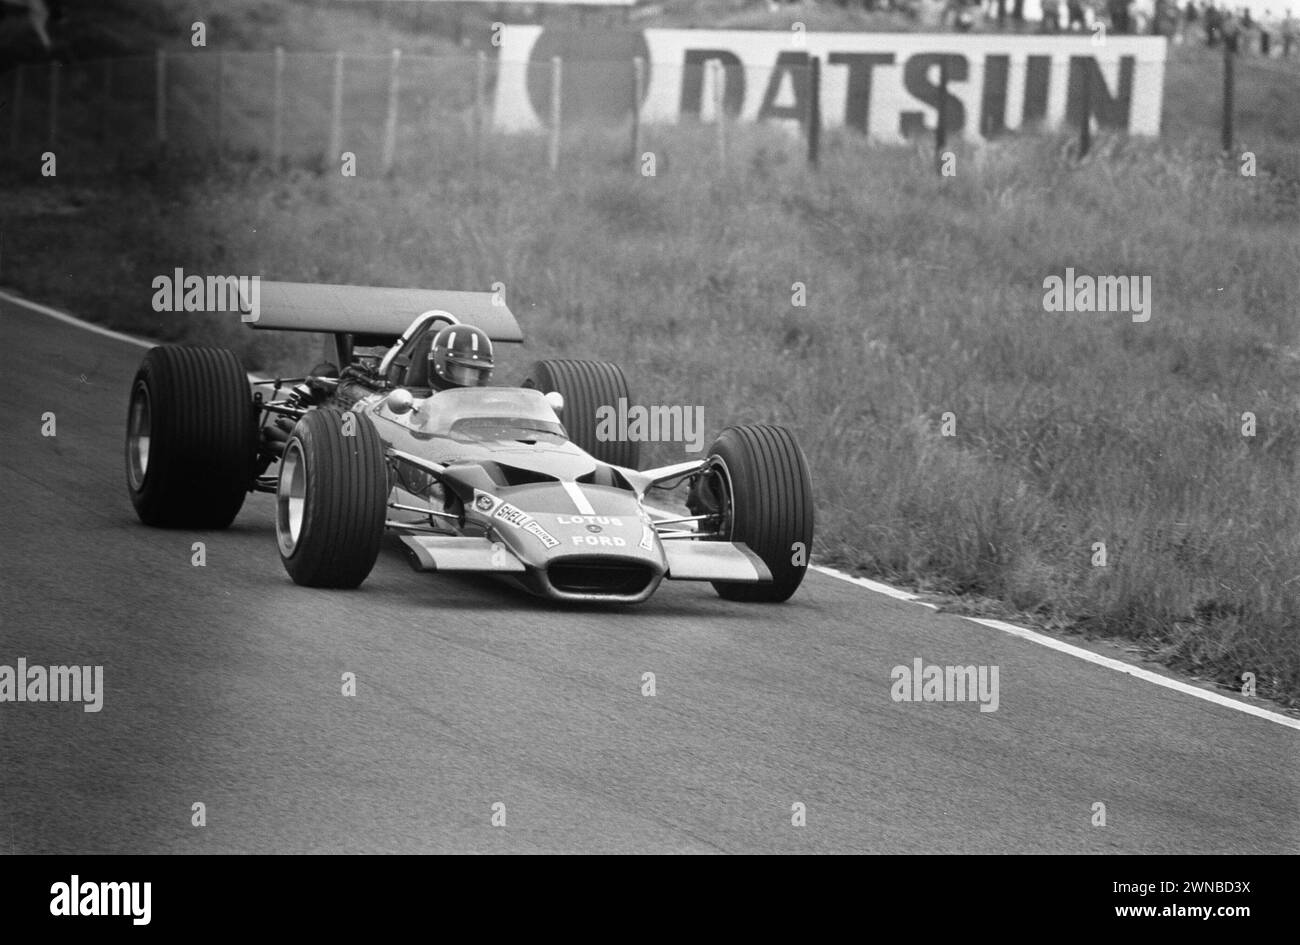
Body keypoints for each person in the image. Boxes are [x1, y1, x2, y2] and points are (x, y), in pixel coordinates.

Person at [426, 325, 495, 391]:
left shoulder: (489, 401)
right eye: (461, 372)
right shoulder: (419, 402)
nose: (470, 377)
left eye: (475, 374)